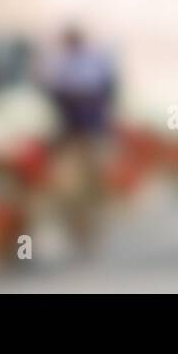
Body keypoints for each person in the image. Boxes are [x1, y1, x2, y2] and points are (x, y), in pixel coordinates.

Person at [38, 26, 117, 253]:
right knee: (68, 188)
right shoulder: (60, 65)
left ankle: (93, 230)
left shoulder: (94, 63)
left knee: (95, 185)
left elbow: (106, 94)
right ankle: (77, 230)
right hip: (70, 137)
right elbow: (51, 93)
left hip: (92, 134)